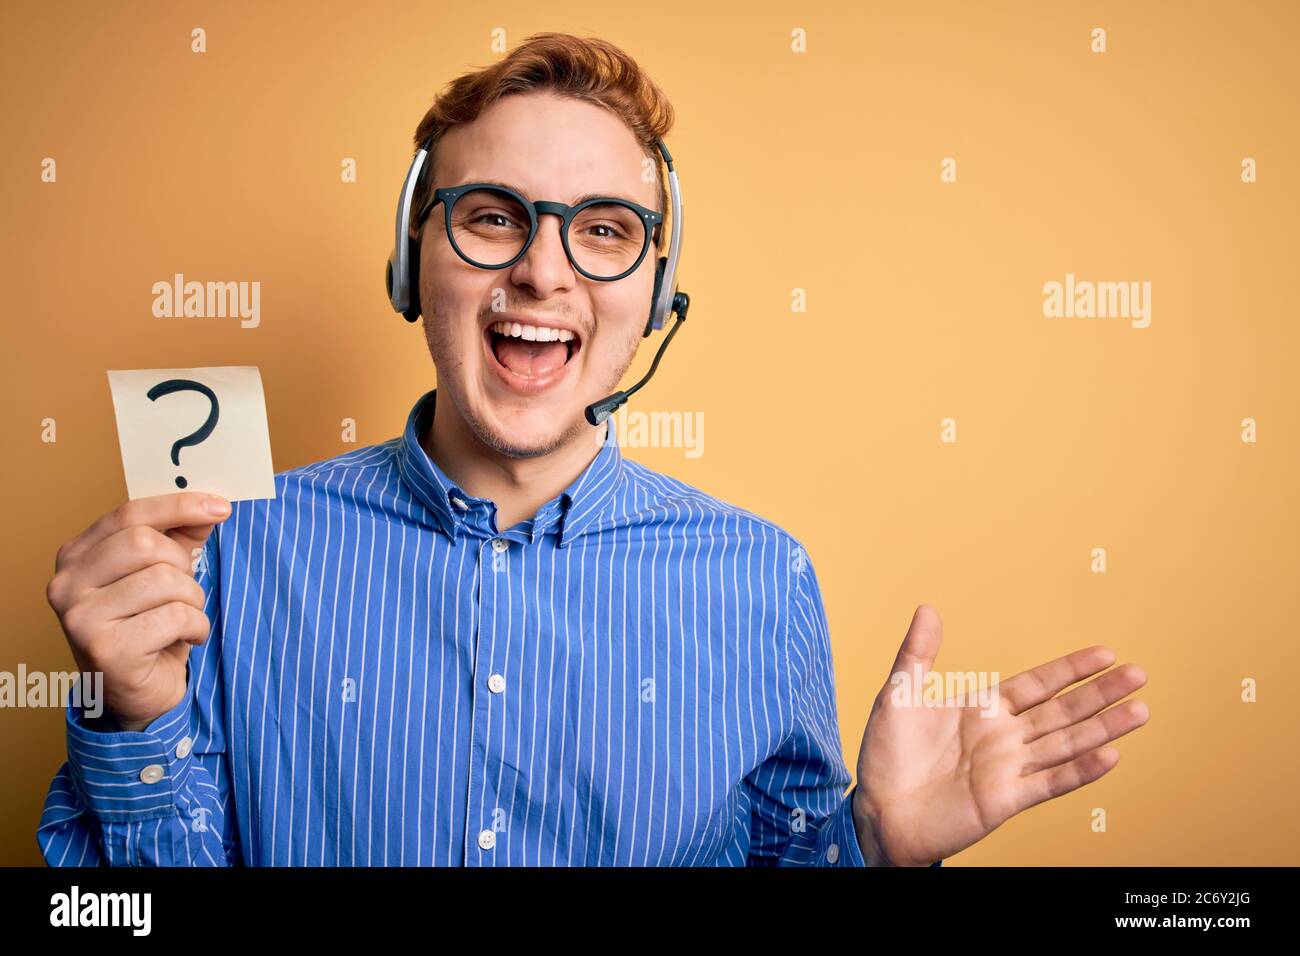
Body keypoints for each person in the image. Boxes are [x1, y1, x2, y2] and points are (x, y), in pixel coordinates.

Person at [38, 32, 1148, 867]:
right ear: (409, 256)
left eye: (605, 230)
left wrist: (868, 840)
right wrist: (138, 718)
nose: (545, 272)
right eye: (491, 215)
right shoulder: (224, 550)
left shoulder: (760, 582)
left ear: (656, 294)